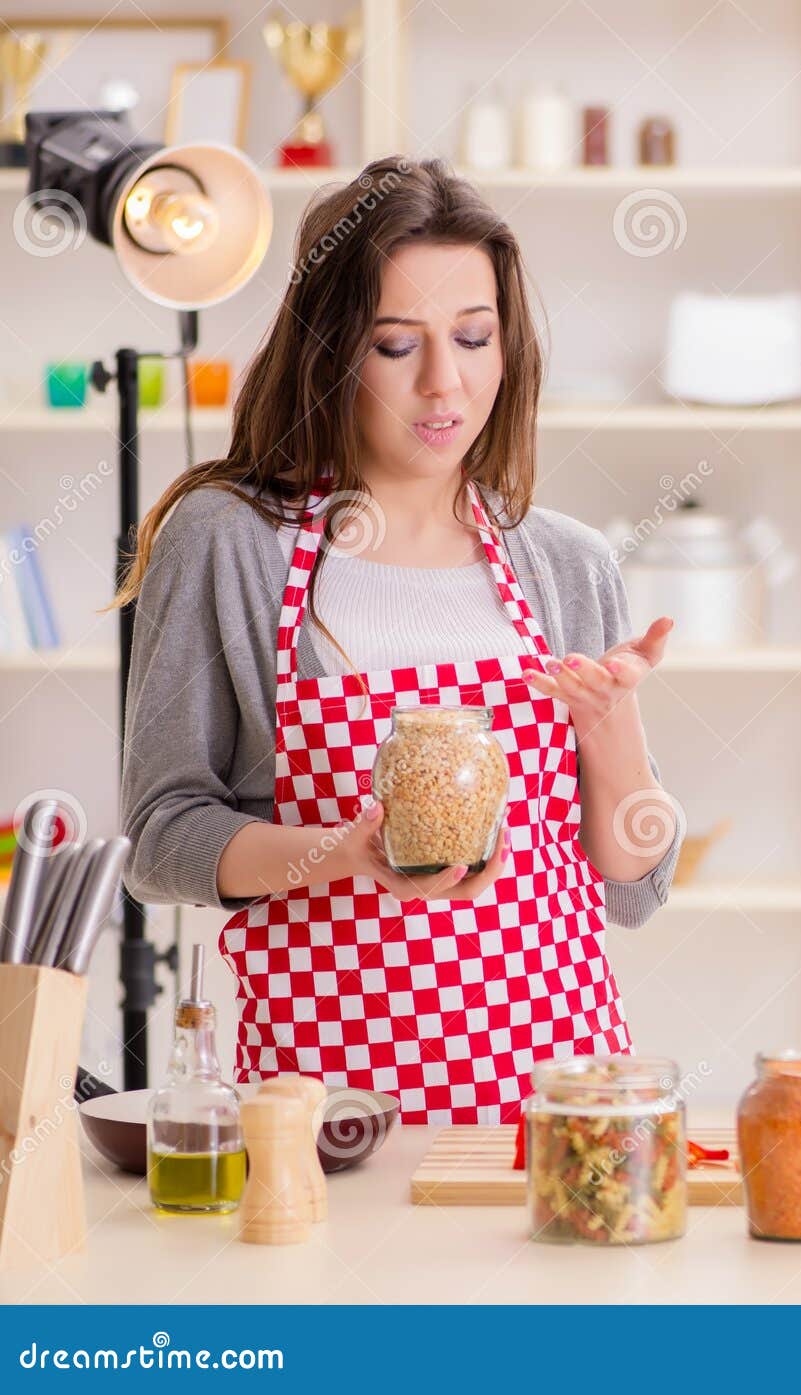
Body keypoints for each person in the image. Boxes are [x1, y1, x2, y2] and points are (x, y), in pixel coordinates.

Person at [119, 156, 683, 1123]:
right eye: (395, 344)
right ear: (330, 350)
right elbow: (160, 840)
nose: (442, 382)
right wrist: (340, 853)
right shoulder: (229, 543)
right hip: (326, 1115)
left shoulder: (566, 562)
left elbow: (635, 886)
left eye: (473, 337)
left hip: (552, 1110)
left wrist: (614, 726)